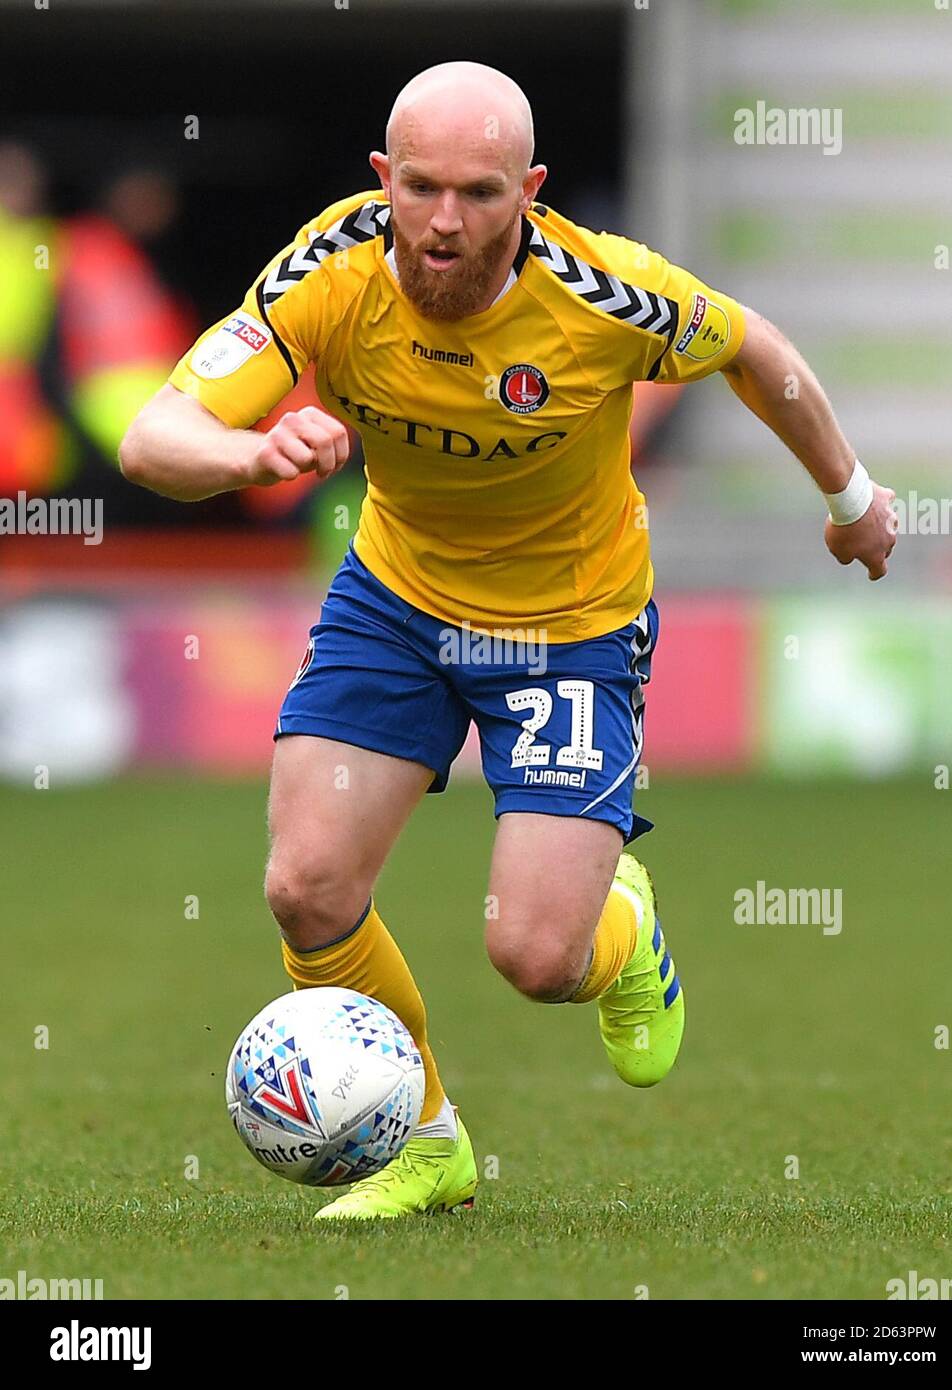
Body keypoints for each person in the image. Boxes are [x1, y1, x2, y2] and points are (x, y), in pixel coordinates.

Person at [119, 61, 898, 1221]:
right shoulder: (327, 272)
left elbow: (752, 350)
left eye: (478, 194)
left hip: (569, 627)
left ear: (528, 192)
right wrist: (242, 455)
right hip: (395, 601)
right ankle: (425, 1143)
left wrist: (850, 498)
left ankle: (620, 925)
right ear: (382, 177)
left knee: (537, 958)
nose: (442, 223)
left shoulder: (600, 291)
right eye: (419, 188)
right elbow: (150, 435)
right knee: (305, 884)